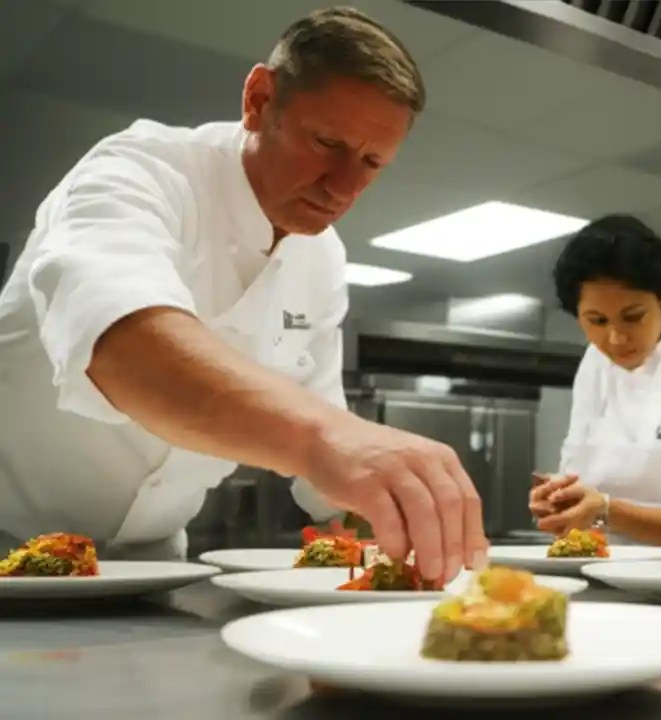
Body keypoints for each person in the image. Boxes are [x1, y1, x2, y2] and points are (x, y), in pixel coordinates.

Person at [0, 7, 485, 586]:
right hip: (9, 544)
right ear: (259, 100)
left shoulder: (322, 257)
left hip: (152, 568)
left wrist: (391, 515)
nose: (345, 187)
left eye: (372, 163)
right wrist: (327, 441)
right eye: (328, 143)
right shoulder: (139, 171)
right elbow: (122, 344)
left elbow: (322, 421)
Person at [528, 215, 661, 546]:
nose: (615, 338)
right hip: (597, 563)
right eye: (596, 320)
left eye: (633, 317)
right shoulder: (595, 362)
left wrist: (606, 511)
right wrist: (559, 498)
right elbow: (576, 468)